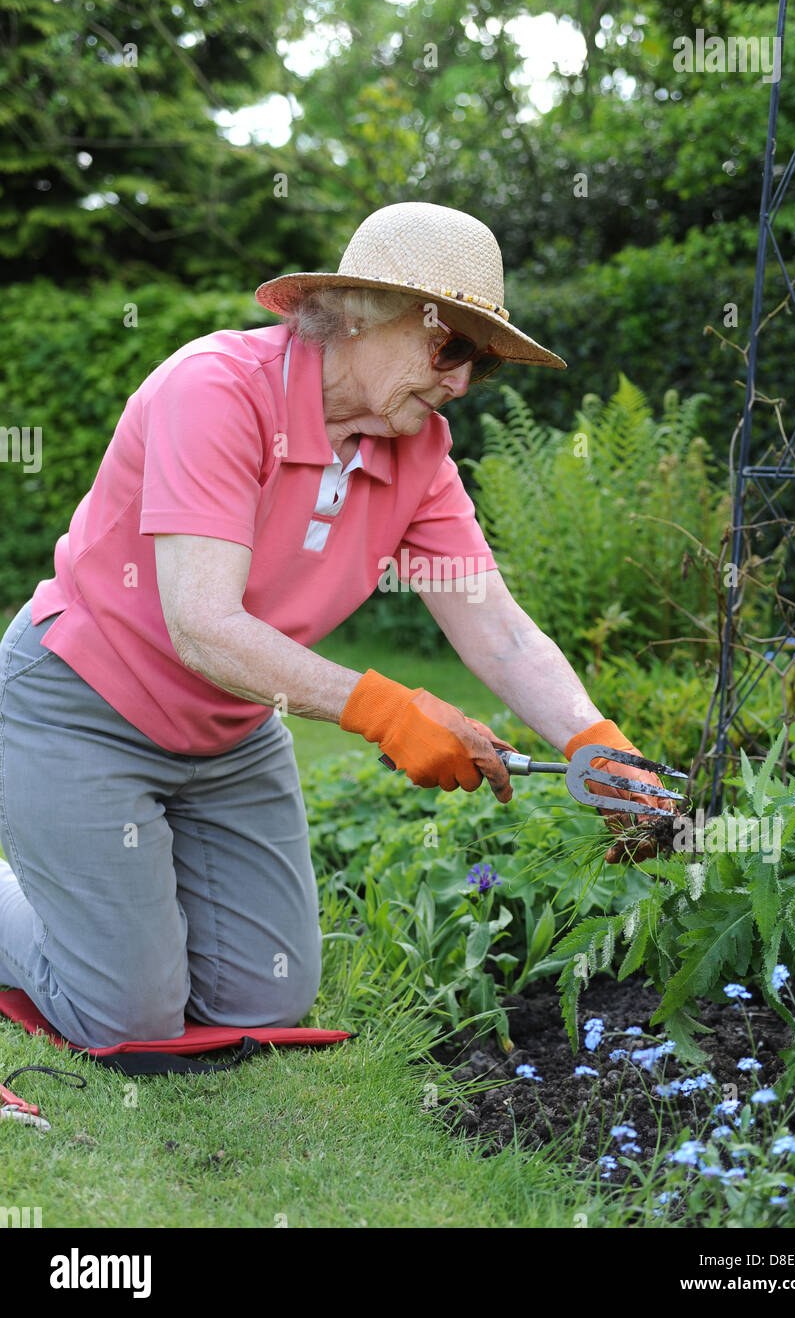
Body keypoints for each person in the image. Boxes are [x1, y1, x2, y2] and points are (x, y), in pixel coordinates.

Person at [0, 201, 667, 1050]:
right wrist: (388, 711)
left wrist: (595, 747)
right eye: (448, 347)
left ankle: (119, 913)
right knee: (125, 1018)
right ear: (355, 313)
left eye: (479, 364)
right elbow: (201, 625)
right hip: (84, 706)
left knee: (262, 999)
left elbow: (493, 628)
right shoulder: (214, 391)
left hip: (230, 731)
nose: (460, 381)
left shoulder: (418, 451)